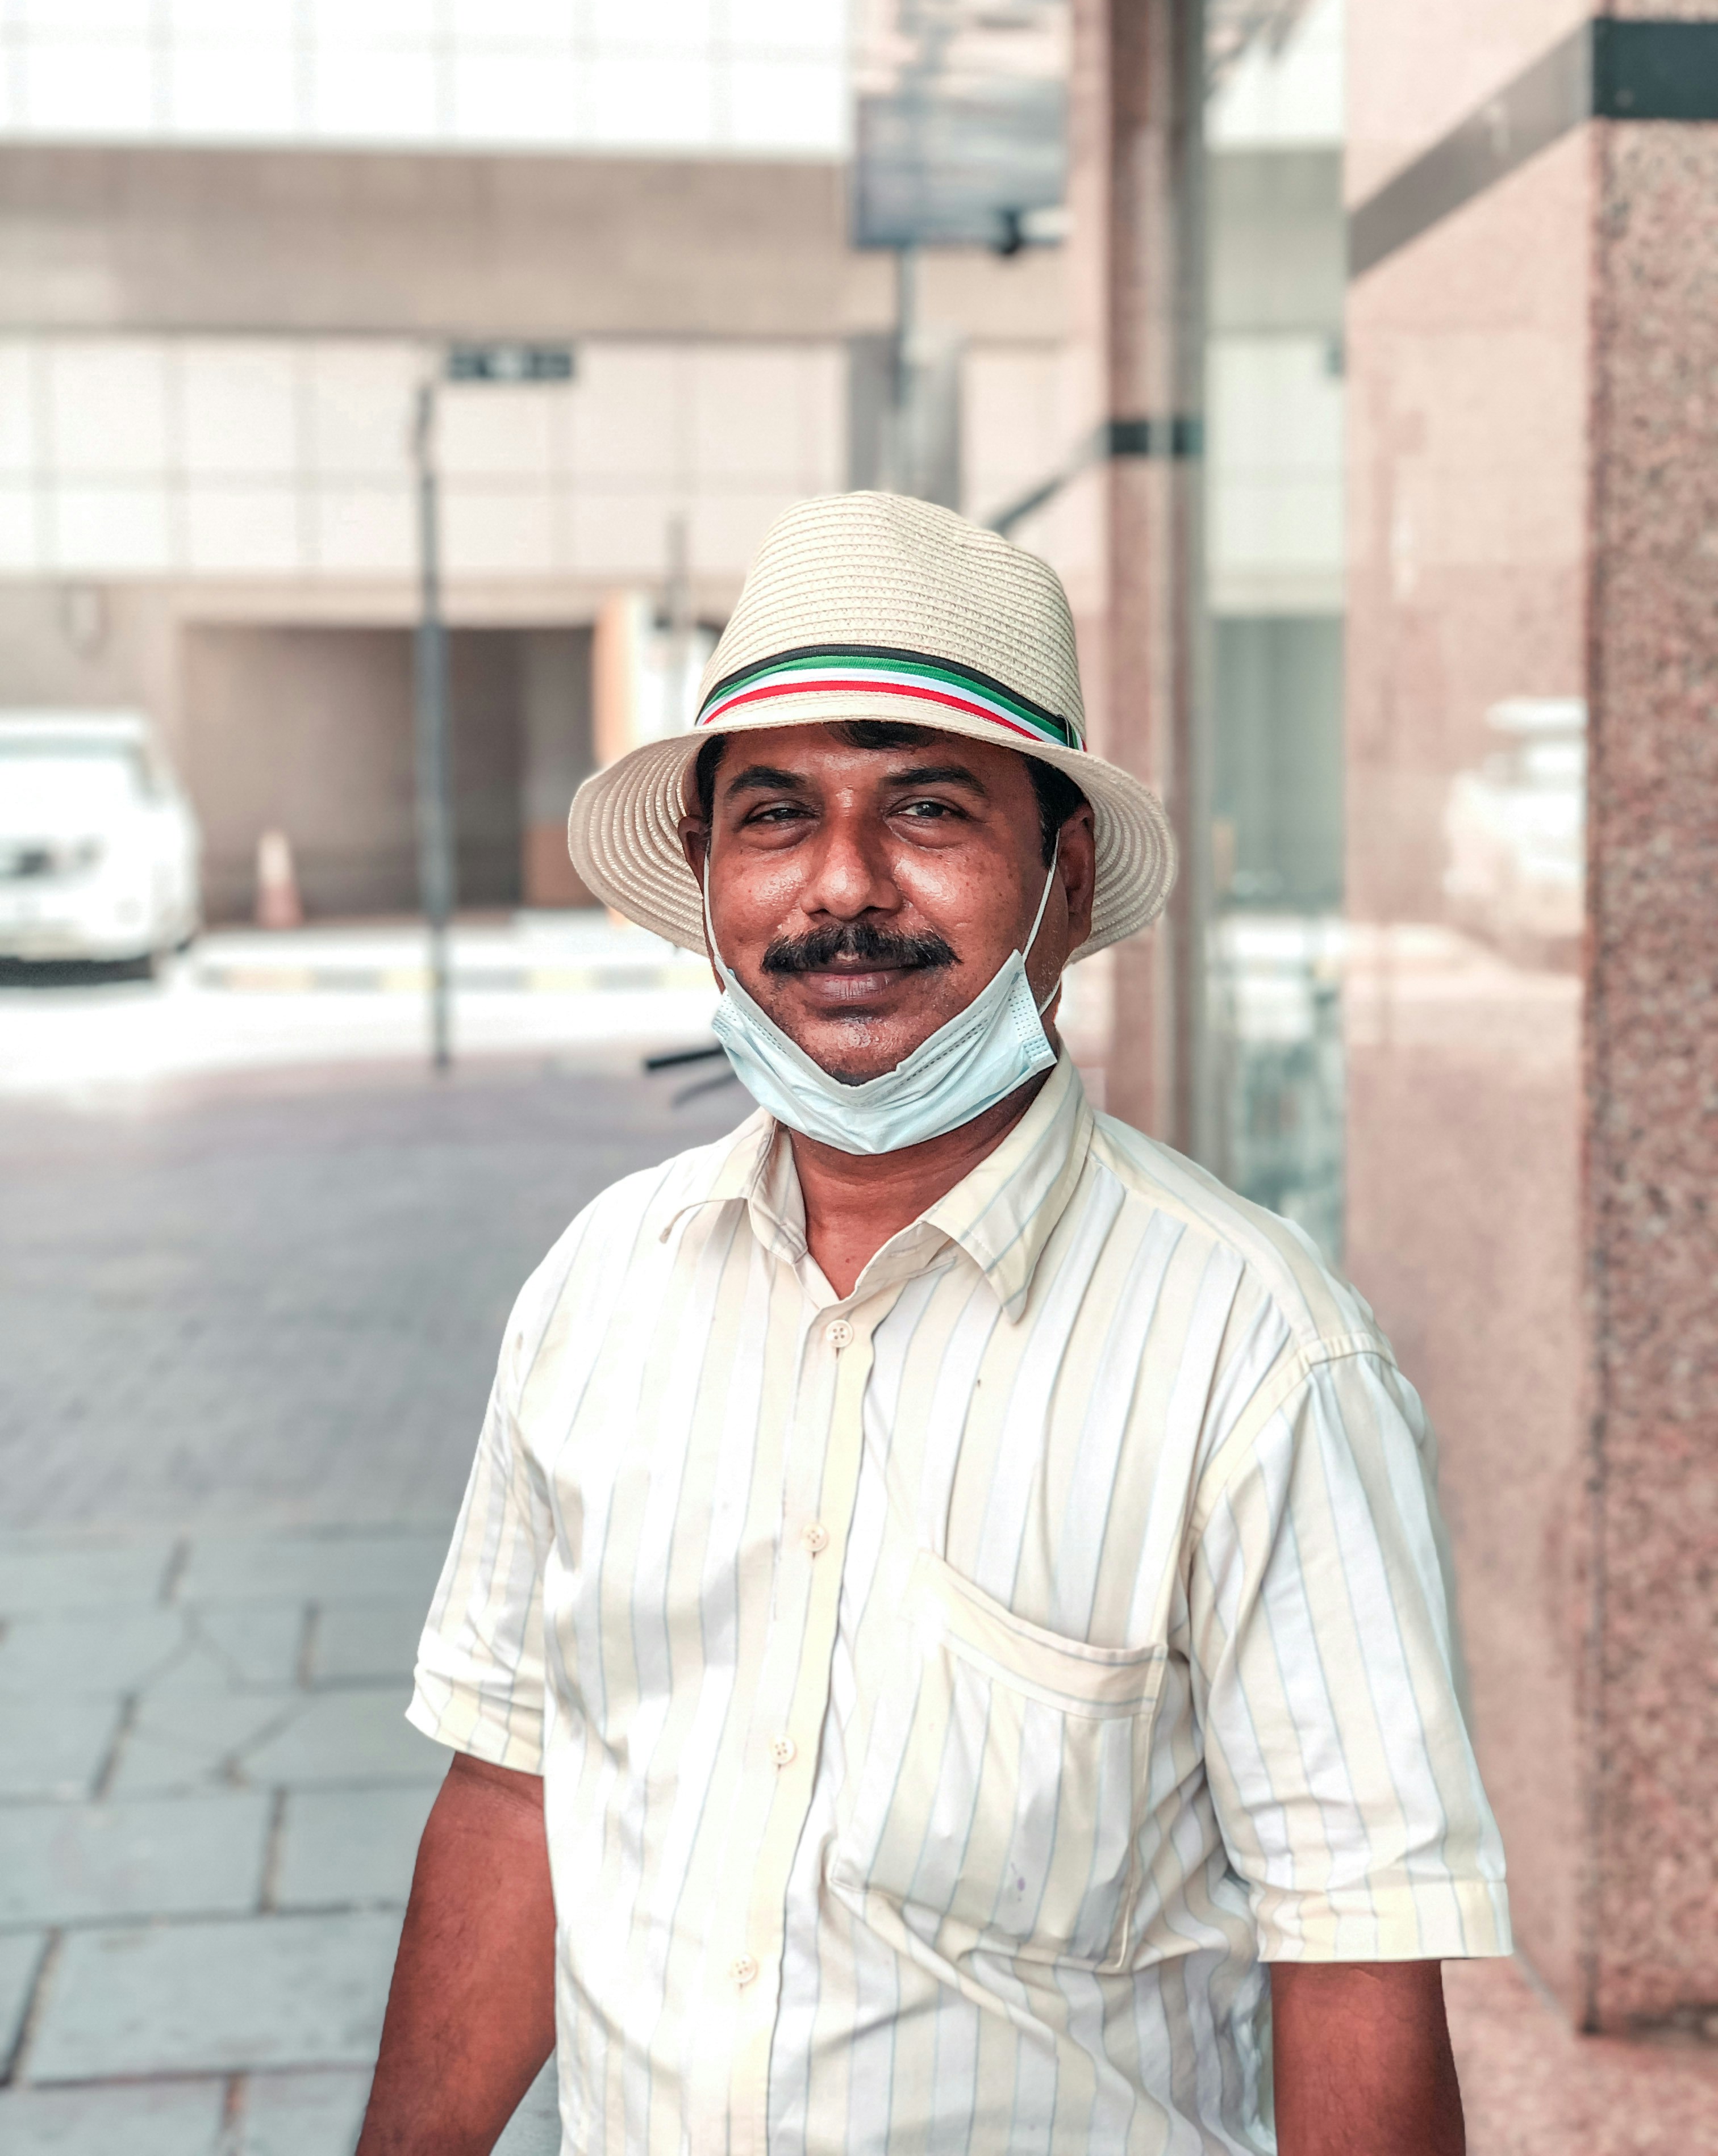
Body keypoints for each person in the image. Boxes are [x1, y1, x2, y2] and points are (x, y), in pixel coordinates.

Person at [358, 492, 1509, 2156]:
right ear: (704, 874)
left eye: (927, 807)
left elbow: (1358, 1959)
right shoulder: (599, 1290)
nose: (844, 888)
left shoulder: (1257, 1356)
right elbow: (518, 1793)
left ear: (1066, 873)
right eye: (775, 815)